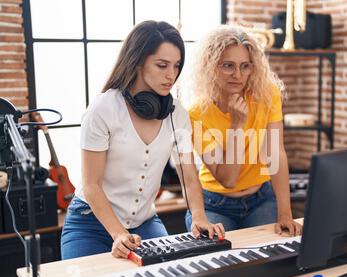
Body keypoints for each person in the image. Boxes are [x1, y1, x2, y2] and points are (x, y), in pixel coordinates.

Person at [61, 21, 224, 260]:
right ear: (138, 62)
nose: (172, 75)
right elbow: (91, 184)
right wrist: (118, 234)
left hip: (145, 224)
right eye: (162, 65)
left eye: (177, 66)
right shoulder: (103, 108)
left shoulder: (177, 114)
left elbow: (189, 176)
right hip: (90, 224)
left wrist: (199, 216)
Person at [185, 25, 301, 236]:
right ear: (210, 67)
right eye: (228, 66)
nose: (237, 75)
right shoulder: (196, 114)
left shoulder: (267, 95)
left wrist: (285, 213)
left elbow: (275, 154)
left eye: (245, 66)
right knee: (220, 263)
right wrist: (237, 124)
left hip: (261, 199)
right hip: (215, 203)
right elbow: (227, 179)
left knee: (272, 261)